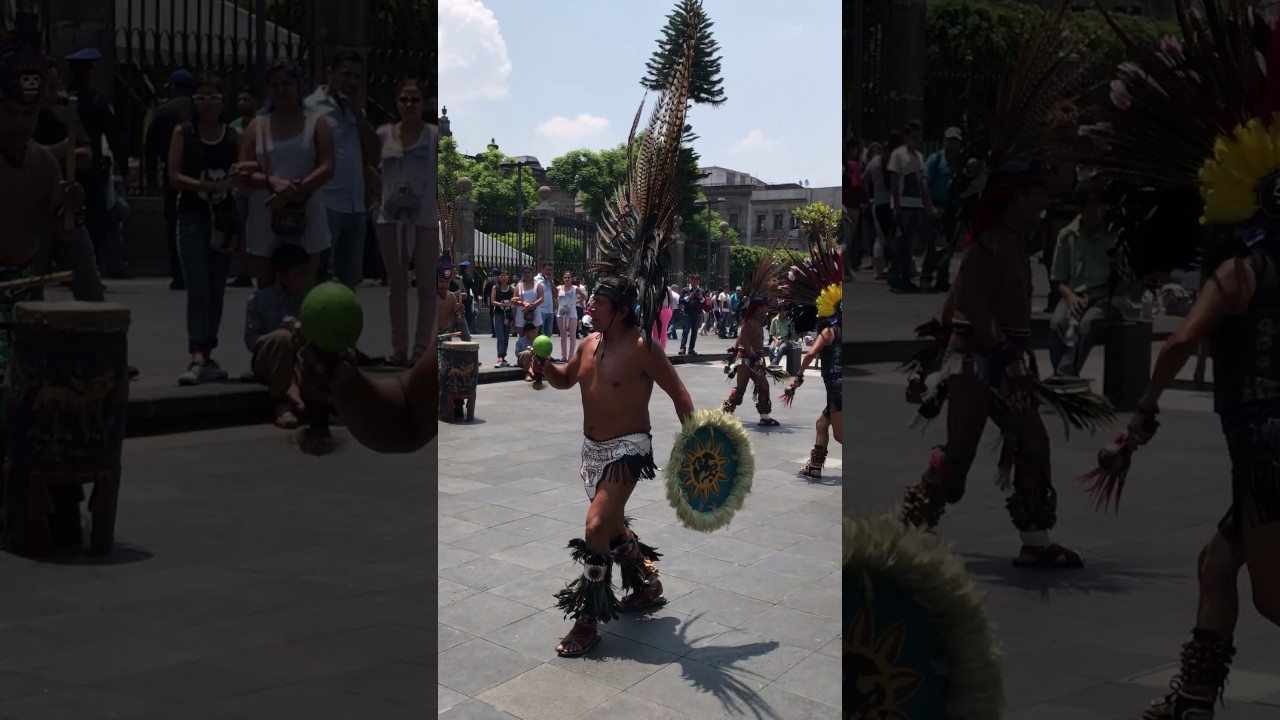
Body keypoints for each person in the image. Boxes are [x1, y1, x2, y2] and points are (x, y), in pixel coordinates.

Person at [1069, 7, 1280, 717]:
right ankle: (1194, 700)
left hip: (1268, 448)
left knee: (1274, 598)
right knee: (1215, 564)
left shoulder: (1243, 272)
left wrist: (1144, 412)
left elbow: (1184, 340)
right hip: (1262, 450)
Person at [0, 9, 87, 544]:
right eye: (9, 110)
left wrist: (68, 208)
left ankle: (56, 499)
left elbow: (66, 235)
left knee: (59, 392)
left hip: (28, 293)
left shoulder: (44, 164)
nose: (19, 123)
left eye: (29, 113)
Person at [167, 72, 242, 386]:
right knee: (197, 286)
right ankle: (196, 352)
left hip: (224, 218)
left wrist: (229, 183)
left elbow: (243, 171)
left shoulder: (234, 136)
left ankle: (209, 350)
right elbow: (173, 176)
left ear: (223, 101)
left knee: (216, 287)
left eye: (213, 96)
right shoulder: (184, 133)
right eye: (201, 97)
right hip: (192, 215)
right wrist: (203, 185)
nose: (208, 103)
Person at [240, 59, 335, 288]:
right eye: (274, 85)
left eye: (287, 84)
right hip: (266, 212)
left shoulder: (316, 123)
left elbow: (327, 166)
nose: (281, 90)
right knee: (266, 286)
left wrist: (295, 191)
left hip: (306, 210)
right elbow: (243, 170)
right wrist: (272, 184)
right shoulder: (257, 125)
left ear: (298, 86)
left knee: (305, 284)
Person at [306, 50, 379, 288]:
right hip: (325, 204)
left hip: (356, 208)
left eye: (357, 77)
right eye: (346, 74)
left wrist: (359, 115)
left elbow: (373, 154)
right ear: (330, 73)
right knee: (318, 277)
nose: (352, 82)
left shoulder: (355, 111)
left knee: (348, 282)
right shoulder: (311, 108)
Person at [375, 77, 434, 367]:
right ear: (396, 103)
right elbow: (370, 169)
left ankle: (421, 349)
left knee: (426, 286)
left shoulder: (433, 136)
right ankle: (399, 348)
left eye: (415, 99)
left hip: (424, 221)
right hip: (390, 219)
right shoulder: (384, 134)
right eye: (404, 99)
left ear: (423, 104)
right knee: (396, 285)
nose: (409, 104)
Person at [777, 238, 843, 478]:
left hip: (838, 386)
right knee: (821, 424)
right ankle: (815, 467)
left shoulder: (829, 330)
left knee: (841, 435)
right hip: (838, 385)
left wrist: (799, 376)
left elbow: (812, 352)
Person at [1047, 180, 1124, 379]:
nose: (1097, 210)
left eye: (1101, 205)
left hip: (1105, 297)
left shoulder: (1113, 236)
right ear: (1081, 207)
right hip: (1075, 294)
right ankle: (1062, 376)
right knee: (1058, 324)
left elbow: (1120, 283)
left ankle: (1065, 376)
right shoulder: (1067, 235)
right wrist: (1071, 298)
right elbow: (1058, 279)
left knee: (1086, 325)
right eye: (1092, 204)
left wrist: (1093, 298)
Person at [245, 244, 313, 428]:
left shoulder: (312, 300)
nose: (305, 279)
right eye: (300, 274)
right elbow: (251, 340)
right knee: (283, 338)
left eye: (308, 273)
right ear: (282, 276)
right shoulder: (259, 300)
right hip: (269, 360)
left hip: (302, 357)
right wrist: (277, 334)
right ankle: (283, 405)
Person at [145, 68, 195, 288]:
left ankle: (179, 273)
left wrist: (151, 179)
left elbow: (150, 148)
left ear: (173, 87)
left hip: (172, 174)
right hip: (200, 173)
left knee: (174, 223)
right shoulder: (201, 108)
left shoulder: (164, 111)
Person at [721, 265, 785, 426]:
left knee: (763, 385)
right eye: (764, 307)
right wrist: (751, 356)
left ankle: (764, 418)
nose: (766, 310)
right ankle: (722, 415)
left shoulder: (757, 322)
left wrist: (774, 292)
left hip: (752, 359)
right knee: (741, 391)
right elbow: (743, 340)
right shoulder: (750, 323)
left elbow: (773, 303)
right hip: (746, 360)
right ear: (758, 308)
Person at [556, 270, 585, 361]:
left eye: (569, 277)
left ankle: (571, 355)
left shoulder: (575, 288)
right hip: (561, 315)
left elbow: (585, 296)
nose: (567, 279)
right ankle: (563, 356)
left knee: (572, 336)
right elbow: (552, 297)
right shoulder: (559, 288)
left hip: (572, 314)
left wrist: (577, 302)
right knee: (563, 336)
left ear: (571, 278)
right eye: (565, 277)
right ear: (563, 278)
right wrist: (557, 305)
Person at [490, 269, 514, 367]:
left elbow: (515, 300)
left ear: (508, 278)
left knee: (506, 336)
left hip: (508, 315)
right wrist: (501, 304)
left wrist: (511, 303)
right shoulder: (496, 288)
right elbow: (492, 301)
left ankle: (503, 357)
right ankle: (499, 357)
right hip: (499, 314)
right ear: (498, 278)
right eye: (501, 276)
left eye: (505, 276)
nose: (503, 278)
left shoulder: (511, 289)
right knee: (500, 336)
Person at [678, 273, 706, 355]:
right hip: (687, 314)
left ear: (699, 282)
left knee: (694, 333)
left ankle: (691, 349)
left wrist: (701, 297)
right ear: (690, 281)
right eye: (693, 282)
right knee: (685, 331)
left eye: (696, 282)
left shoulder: (701, 291)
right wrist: (689, 297)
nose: (695, 284)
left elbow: (704, 303)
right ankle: (682, 348)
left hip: (697, 315)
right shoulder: (685, 290)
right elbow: (681, 301)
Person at [513, 265, 545, 336]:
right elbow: (514, 299)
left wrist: (531, 305)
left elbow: (541, 298)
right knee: (522, 336)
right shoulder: (519, 286)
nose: (526, 274)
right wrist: (523, 303)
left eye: (528, 272)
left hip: (534, 313)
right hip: (521, 313)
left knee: (534, 336)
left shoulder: (538, 285)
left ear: (532, 273)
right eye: (525, 273)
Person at [654, 282, 678, 349]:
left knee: (657, 331)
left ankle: (658, 348)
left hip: (659, 310)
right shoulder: (667, 288)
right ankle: (661, 349)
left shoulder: (654, 288)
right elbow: (671, 299)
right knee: (662, 331)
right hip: (664, 310)